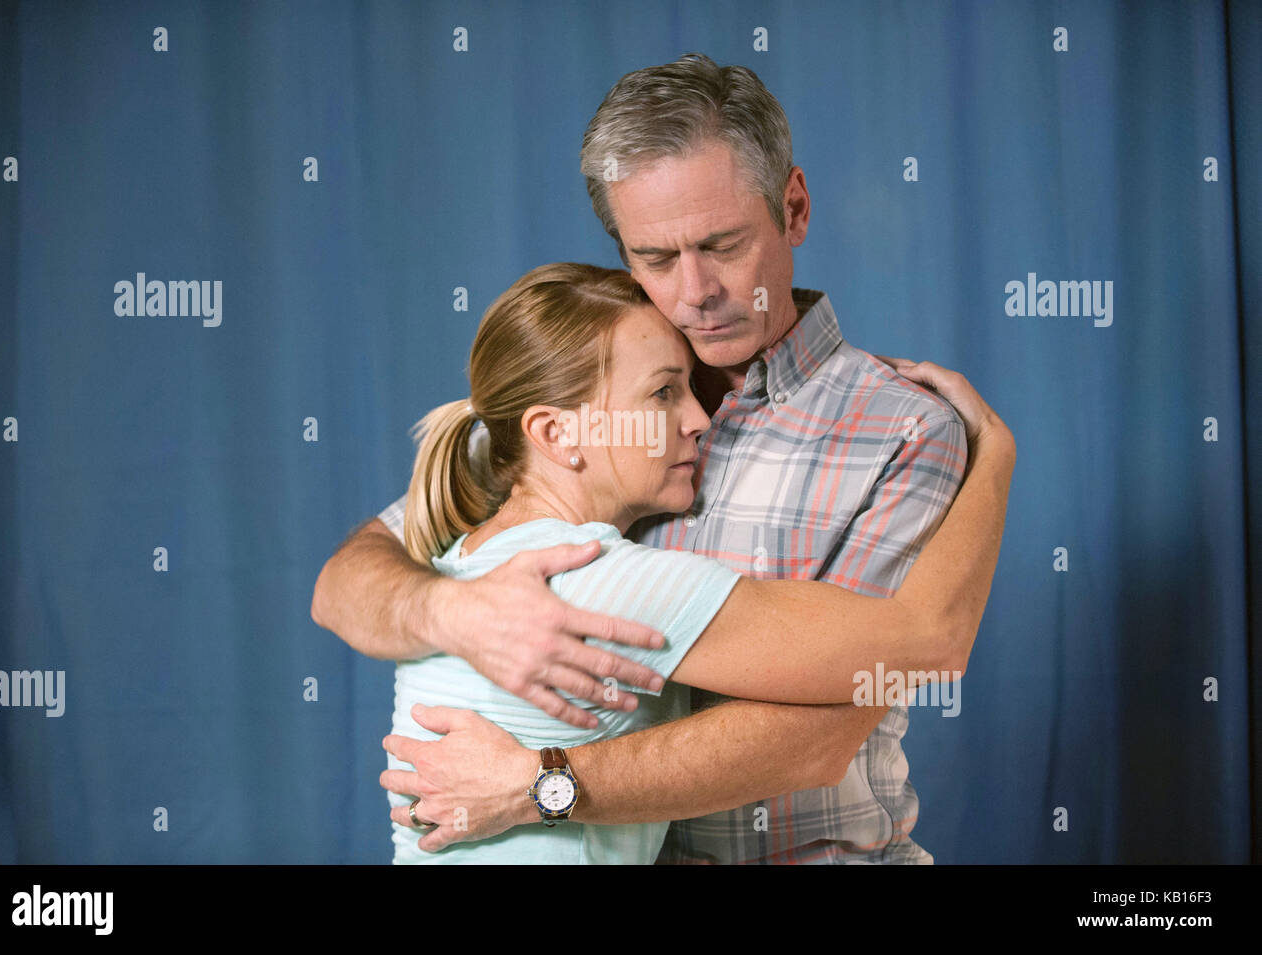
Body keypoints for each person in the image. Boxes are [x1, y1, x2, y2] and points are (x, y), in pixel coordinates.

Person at [312, 53, 1015, 864]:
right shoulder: (579, 403)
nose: (694, 292)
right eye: (654, 258)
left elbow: (824, 728)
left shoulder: (901, 428)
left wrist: (543, 782)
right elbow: (345, 584)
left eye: (723, 244)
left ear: (793, 208)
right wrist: (453, 612)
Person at [378, 261, 1012, 863]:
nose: (700, 418)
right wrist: (996, 453)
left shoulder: (455, 556)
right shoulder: (598, 577)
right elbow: (930, 643)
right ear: (554, 434)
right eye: (662, 393)